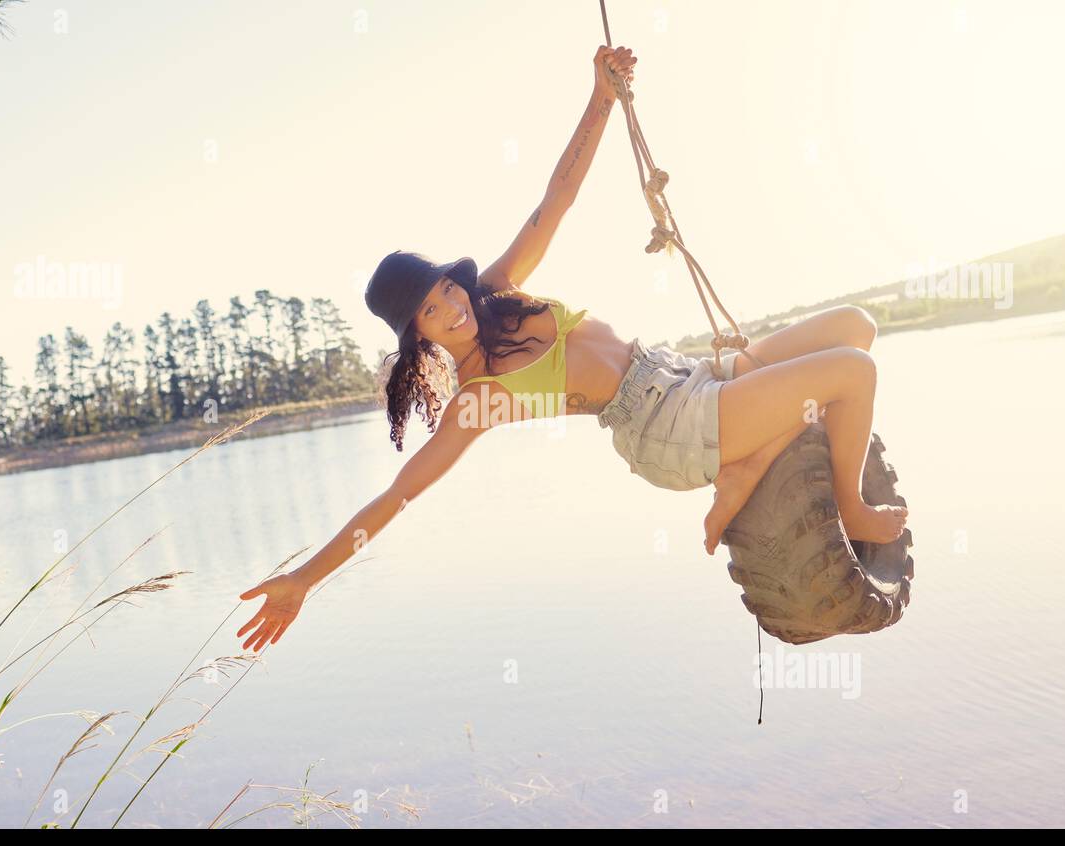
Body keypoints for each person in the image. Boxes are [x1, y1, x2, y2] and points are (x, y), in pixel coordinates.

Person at [237, 46, 906, 651]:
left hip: (685, 374)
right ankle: (849, 506)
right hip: (665, 427)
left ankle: (752, 460)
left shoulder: (498, 290)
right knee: (853, 373)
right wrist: (303, 578)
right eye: (433, 314)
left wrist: (601, 98)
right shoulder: (478, 400)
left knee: (856, 326)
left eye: (444, 290)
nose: (451, 308)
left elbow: (557, 198)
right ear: (422, 341)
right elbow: (395, 497)